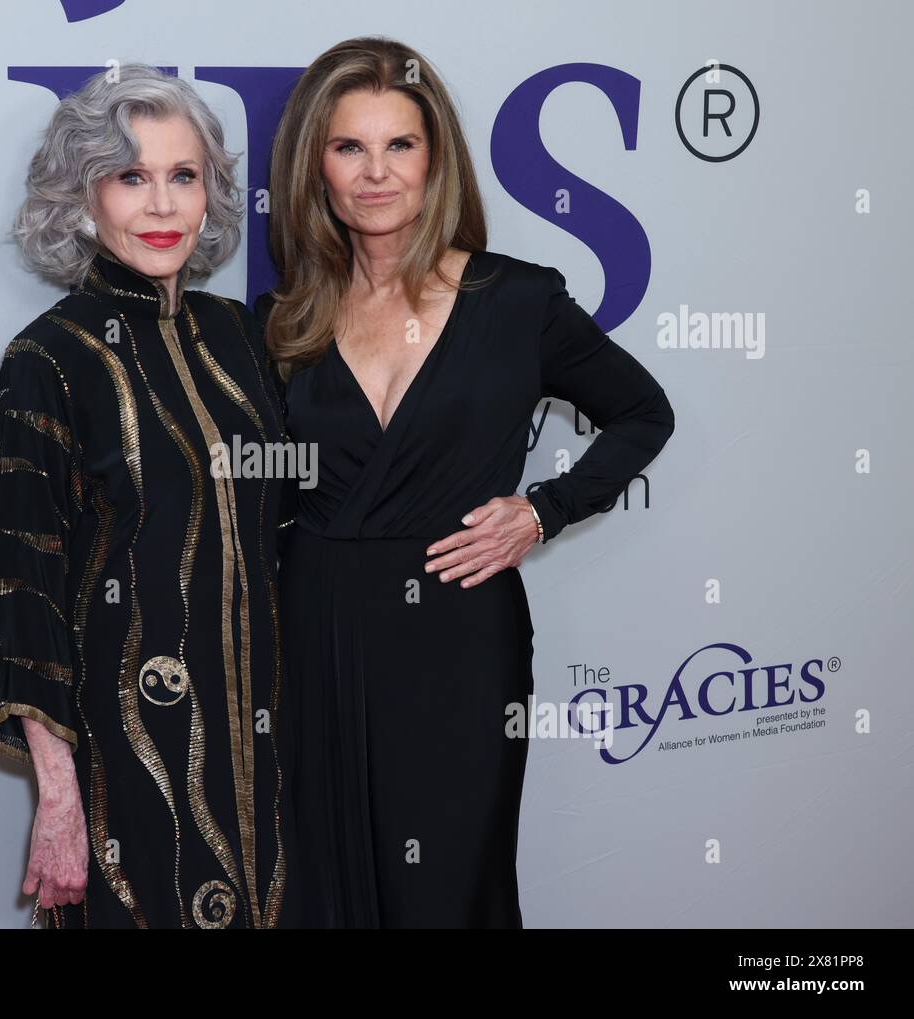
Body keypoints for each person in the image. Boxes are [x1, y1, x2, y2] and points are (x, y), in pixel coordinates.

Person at [255, 36, 676, 927]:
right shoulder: (284, 321)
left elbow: (643, 412)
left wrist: (543, 509)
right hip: (313, 637)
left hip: (459, 637)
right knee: (318, 893)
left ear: (436, 157)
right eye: (348, 147)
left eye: (399, 145)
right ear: (314, 167)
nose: (376, 173)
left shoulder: (517, 302)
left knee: (448, 891)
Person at [0, 64, 294, 928]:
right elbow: (23, 585)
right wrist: (60, 798)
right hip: (130, 751)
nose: (162, 206)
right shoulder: (46, 359)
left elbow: (292, 528)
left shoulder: (239, 336)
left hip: (275, 741)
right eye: (131, 176)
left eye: (182, 176)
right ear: (81, 197)